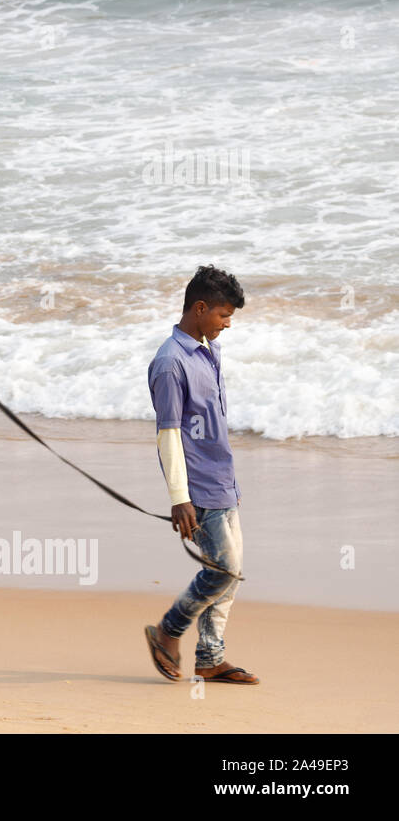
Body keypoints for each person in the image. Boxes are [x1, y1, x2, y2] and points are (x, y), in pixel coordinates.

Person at [143, 265, 259, 685]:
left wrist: (231, 485)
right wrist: (179, 497)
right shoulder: (170, 363)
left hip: (222, 483)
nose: (227, 325)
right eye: (223, 315)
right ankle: (167, 632)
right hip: (197, 490)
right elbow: (168, 434)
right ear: (200, 307)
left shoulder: (209, 350)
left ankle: (210, 658)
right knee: (222, 570)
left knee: (231, 574)